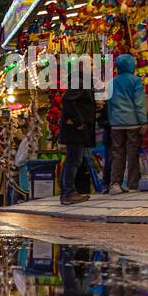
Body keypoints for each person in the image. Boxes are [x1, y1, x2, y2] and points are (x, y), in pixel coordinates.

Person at [106, 52, 146, 194]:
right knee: (132, 153)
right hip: (133, 123)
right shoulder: (135, 81)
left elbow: (109, 104)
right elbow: (139, 103)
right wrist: (143, 121)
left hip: (116, 124)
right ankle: (133, 185)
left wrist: (112, 121)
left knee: (117, 153)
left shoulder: (111, 83)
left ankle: (115, 184)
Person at [59, 76, 97, 206]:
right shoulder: (79, 82)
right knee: (74, 160)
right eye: (90, 64)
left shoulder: (81, 82)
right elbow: (67, 99)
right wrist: (78, 122)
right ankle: (69, 193)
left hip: (75, 129)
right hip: (75, 130)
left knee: (72, 160)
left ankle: (67, 192)